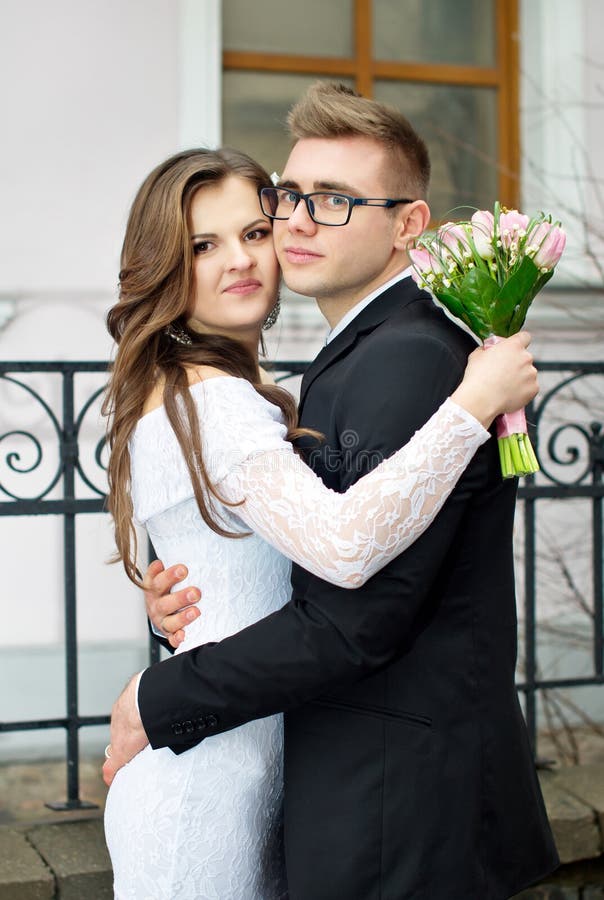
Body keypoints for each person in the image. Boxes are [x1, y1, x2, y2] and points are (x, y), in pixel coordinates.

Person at [104, 84, 558, 899]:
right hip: (239, 782)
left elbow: (357, 610)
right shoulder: (283, 378)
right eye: (291, 197)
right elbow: (329, 550)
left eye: (335, 201)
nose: (291, 227)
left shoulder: (404, 358)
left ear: (408, 226)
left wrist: (162, 690)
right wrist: (184, 607)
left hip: (394, 805)